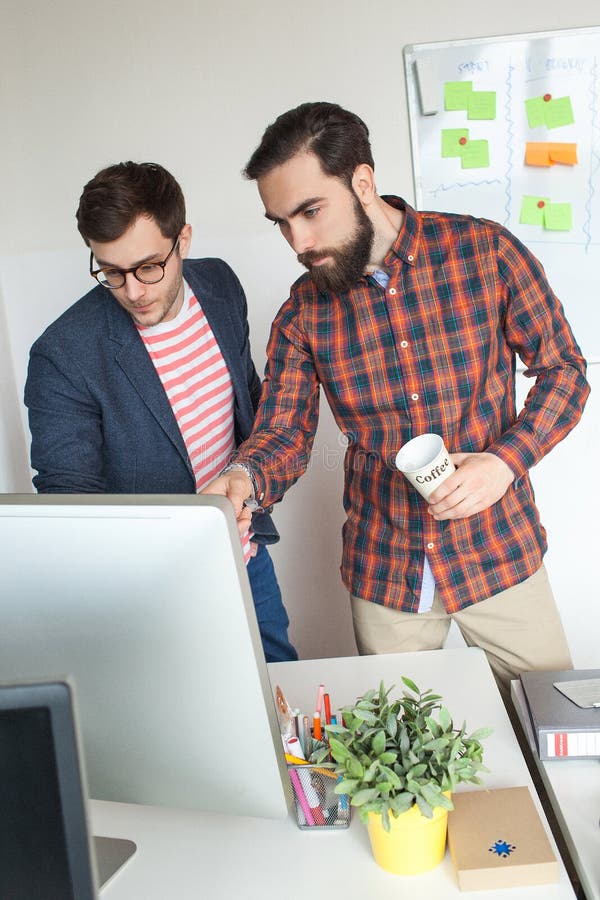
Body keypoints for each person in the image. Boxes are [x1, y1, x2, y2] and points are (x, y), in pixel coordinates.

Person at [204, 101, 590, 701]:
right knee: (401, 765)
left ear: (363, 182)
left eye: (310, 211)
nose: (298, 241)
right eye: (280, 222)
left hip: (499, 550)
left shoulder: (485, 252)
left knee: (554, 726)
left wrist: (504, 461)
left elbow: (564, 370)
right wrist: (244, 477)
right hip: (385, 571)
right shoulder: (302, 312)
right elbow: (282, 434)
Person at [24, 161, 297, 663]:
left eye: (149, 266)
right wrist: (190, 534)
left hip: (246, 554)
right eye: (110, 271)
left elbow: (251, 407)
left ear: (183, 240)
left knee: (283, 692)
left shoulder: (219, 285)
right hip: (151, 590)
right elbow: (72, 510)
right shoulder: (62, 355)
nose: (133, 290)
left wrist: (250, 496)